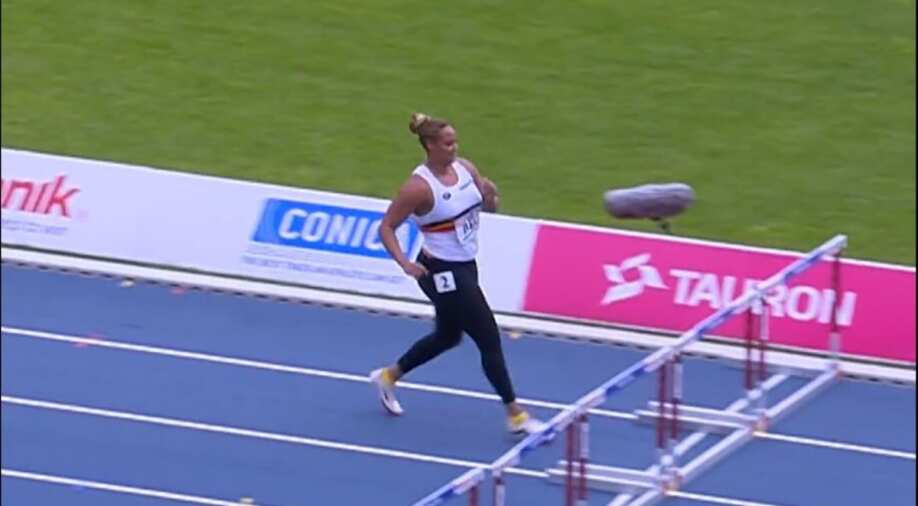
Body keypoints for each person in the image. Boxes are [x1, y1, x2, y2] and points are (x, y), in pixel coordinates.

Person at [369, 112, 543, 435]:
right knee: (488, 336)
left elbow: (489, 207)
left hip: (465, 265)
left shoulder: (466, 169)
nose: (454, 148)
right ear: (430, 145)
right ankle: (515, 414)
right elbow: (386, 227)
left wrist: (491, 197)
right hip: (439, 270)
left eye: (456, 142)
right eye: (448, 143)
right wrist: (405, 263)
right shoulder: (418, 188)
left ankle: (388, 376)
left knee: (448, 336)